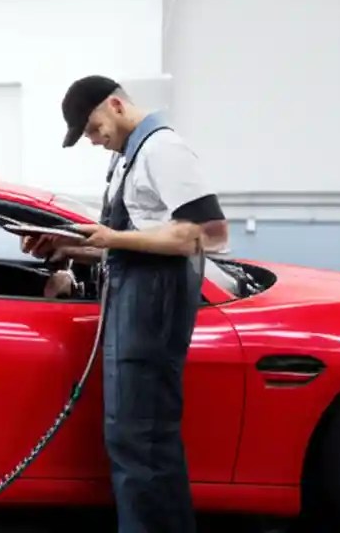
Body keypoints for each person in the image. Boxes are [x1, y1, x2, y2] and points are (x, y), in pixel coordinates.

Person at [21, 75, 227, 533]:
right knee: (130, 438)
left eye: (93, 129)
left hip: (154, 308)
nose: (94, 141)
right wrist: (68, 247)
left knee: (143, 439)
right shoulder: (128, 159)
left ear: (115, 105)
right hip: (133, 306)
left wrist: (112, 237)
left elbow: (209, 234)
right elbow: (139, 241)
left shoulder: (162, 149)